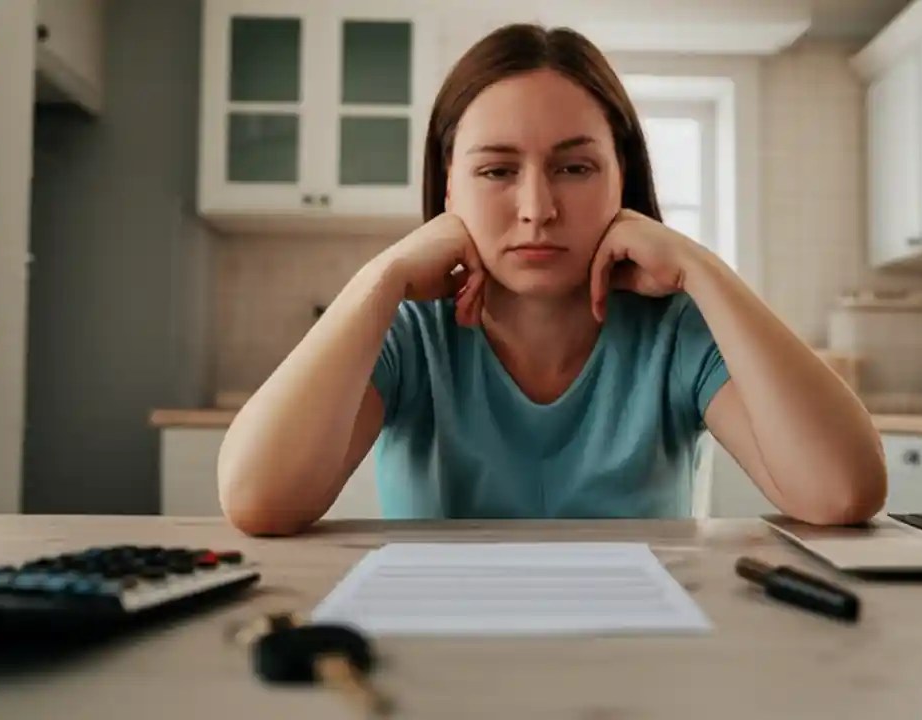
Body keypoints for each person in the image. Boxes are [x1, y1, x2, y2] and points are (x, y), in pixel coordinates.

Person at [217, 24, 887, 536]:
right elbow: (257, 499)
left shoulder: (675, 334)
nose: (537, 209)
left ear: (622, 177)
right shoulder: (409, 333)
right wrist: (383, 277)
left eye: (574, 168)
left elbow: (842, 494)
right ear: (446, 184)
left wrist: (701, 269)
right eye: (496, 171)